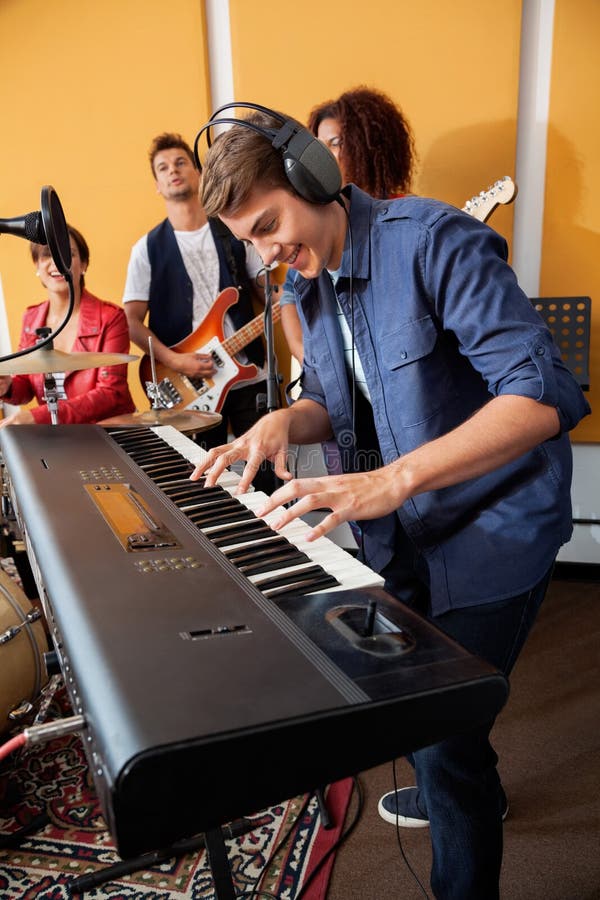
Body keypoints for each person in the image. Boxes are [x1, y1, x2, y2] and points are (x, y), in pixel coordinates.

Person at [190, 108, 590, 900]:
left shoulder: (436, 241)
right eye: (250, 240)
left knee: (440, 740)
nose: (268, 254)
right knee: (435, 720)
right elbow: (342, 407)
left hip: (496, 527)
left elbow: (544, 395)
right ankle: (473, 771)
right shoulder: (307, 285)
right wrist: (285, 418)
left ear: (314, 177)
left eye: (270, 224)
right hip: (403, 532)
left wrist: (393, 477)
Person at [122, 132, 276, 493]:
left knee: (266, 471)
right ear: (157, 185)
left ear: (197, 172)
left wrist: (286, 297)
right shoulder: (146, 249)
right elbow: (130, 322)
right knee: (203, 481)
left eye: (180, 163)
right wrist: (176, 362)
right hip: (191, 386)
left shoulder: (233, 229)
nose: (173, 171)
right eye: (163, 168)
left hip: (249, 376)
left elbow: (265, 288)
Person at [280, 86, 416, 362]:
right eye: (318, 144)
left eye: (335, 142)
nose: (323, 155)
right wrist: (313, 362)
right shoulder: (314, 222)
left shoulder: (409, 220)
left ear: (367, 146)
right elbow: (289, 296)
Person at [0, 226, 135, 426]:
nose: (57, 262)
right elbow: (27, 386)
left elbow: (110, 393)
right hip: (59, 438)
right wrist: (7, 386)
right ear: (37, 265)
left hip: (108, 434)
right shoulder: (31, 318)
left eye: (67, 253)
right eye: (47, 255)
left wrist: (36, 417)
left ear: (84, 264)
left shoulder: (110, 317)